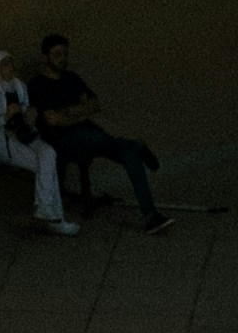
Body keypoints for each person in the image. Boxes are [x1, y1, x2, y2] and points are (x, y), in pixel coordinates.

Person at [24, 34, 170, 233]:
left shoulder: (72, 78)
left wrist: (68, 112)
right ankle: (136, 144)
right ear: (45, 57)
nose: (63, 58)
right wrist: (78, 111)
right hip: (63, 140)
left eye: (65, 53)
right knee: (104, 140)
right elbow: (53, 120)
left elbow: (95, 104)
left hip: (90, 133)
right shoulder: (38, 84)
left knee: (130, 156)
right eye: (57, 54)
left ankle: (151, 215)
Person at [0, 52, 72, 235]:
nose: (10, 68)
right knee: (46, 164)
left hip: (25, 135)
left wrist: (28, 115)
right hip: (3, 143)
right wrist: (4, 117)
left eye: (11, 63)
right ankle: (55, 218)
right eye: (4, 65)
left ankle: (46, 210)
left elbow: (27, 116)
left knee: (48, 153)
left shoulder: (20, 87)